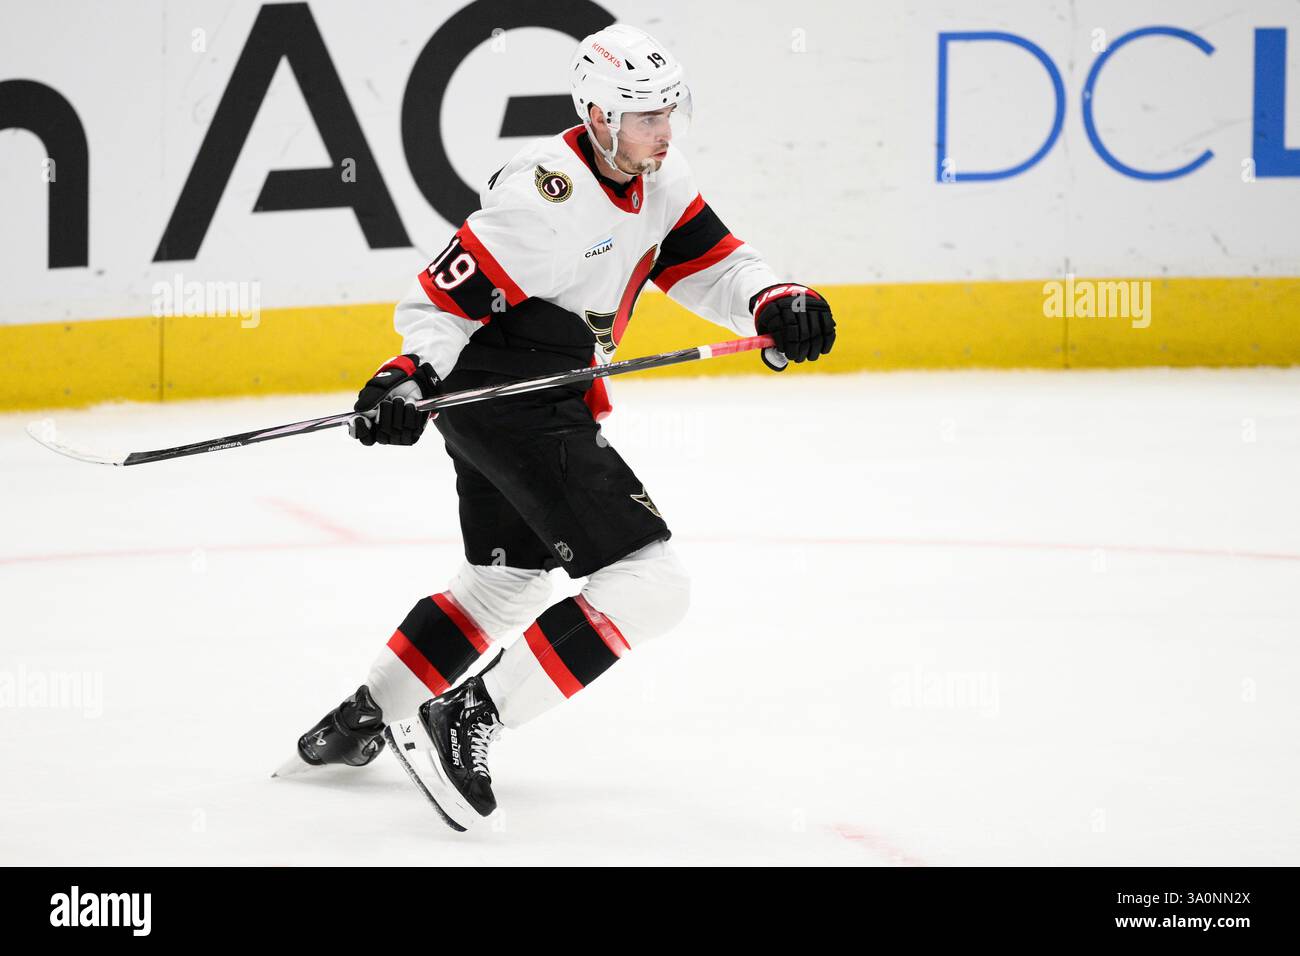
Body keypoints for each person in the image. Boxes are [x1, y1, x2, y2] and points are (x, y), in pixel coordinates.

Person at [275, 23, 836, 830]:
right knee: (651, 585)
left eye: (670, 111)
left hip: (538, 390)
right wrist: (406, 375)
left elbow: (710, 260)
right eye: (647, 116)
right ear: (600, 116)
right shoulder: (546, 197)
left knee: (506, 580)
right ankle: (468, 714)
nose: (664, 130)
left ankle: (363, 717)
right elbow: (442, 298)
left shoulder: (658, 172)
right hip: (510, 393)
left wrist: (773, 297)